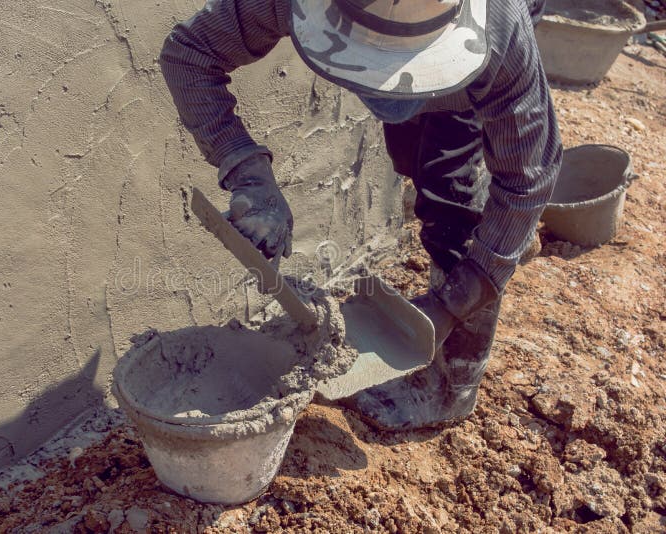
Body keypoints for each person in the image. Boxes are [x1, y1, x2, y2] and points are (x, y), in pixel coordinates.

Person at [160, 0, 562, 431]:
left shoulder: (500, 26)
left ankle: (452, 385)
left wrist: (456, 298)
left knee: (451, 194)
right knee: (415, 157)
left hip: (482, 42)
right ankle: (500, 232)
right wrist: (247, 171)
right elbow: (190, 53)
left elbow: (528, 176)